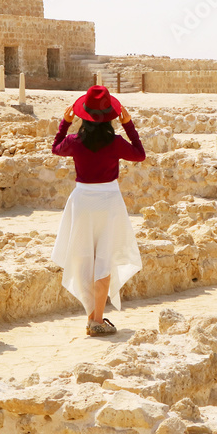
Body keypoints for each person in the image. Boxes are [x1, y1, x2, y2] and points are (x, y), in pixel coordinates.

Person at [50, 85, 146, 336]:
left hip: (82, 202)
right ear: (110, 117)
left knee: (83, 258)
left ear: (83, 114)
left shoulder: (74, 141)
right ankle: (97, 320)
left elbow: (56, 147)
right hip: (109, 202)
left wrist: (64, 122)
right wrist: (129, 124)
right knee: (105, 259)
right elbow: (139, 154)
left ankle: (93, 317)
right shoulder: (114, 142)